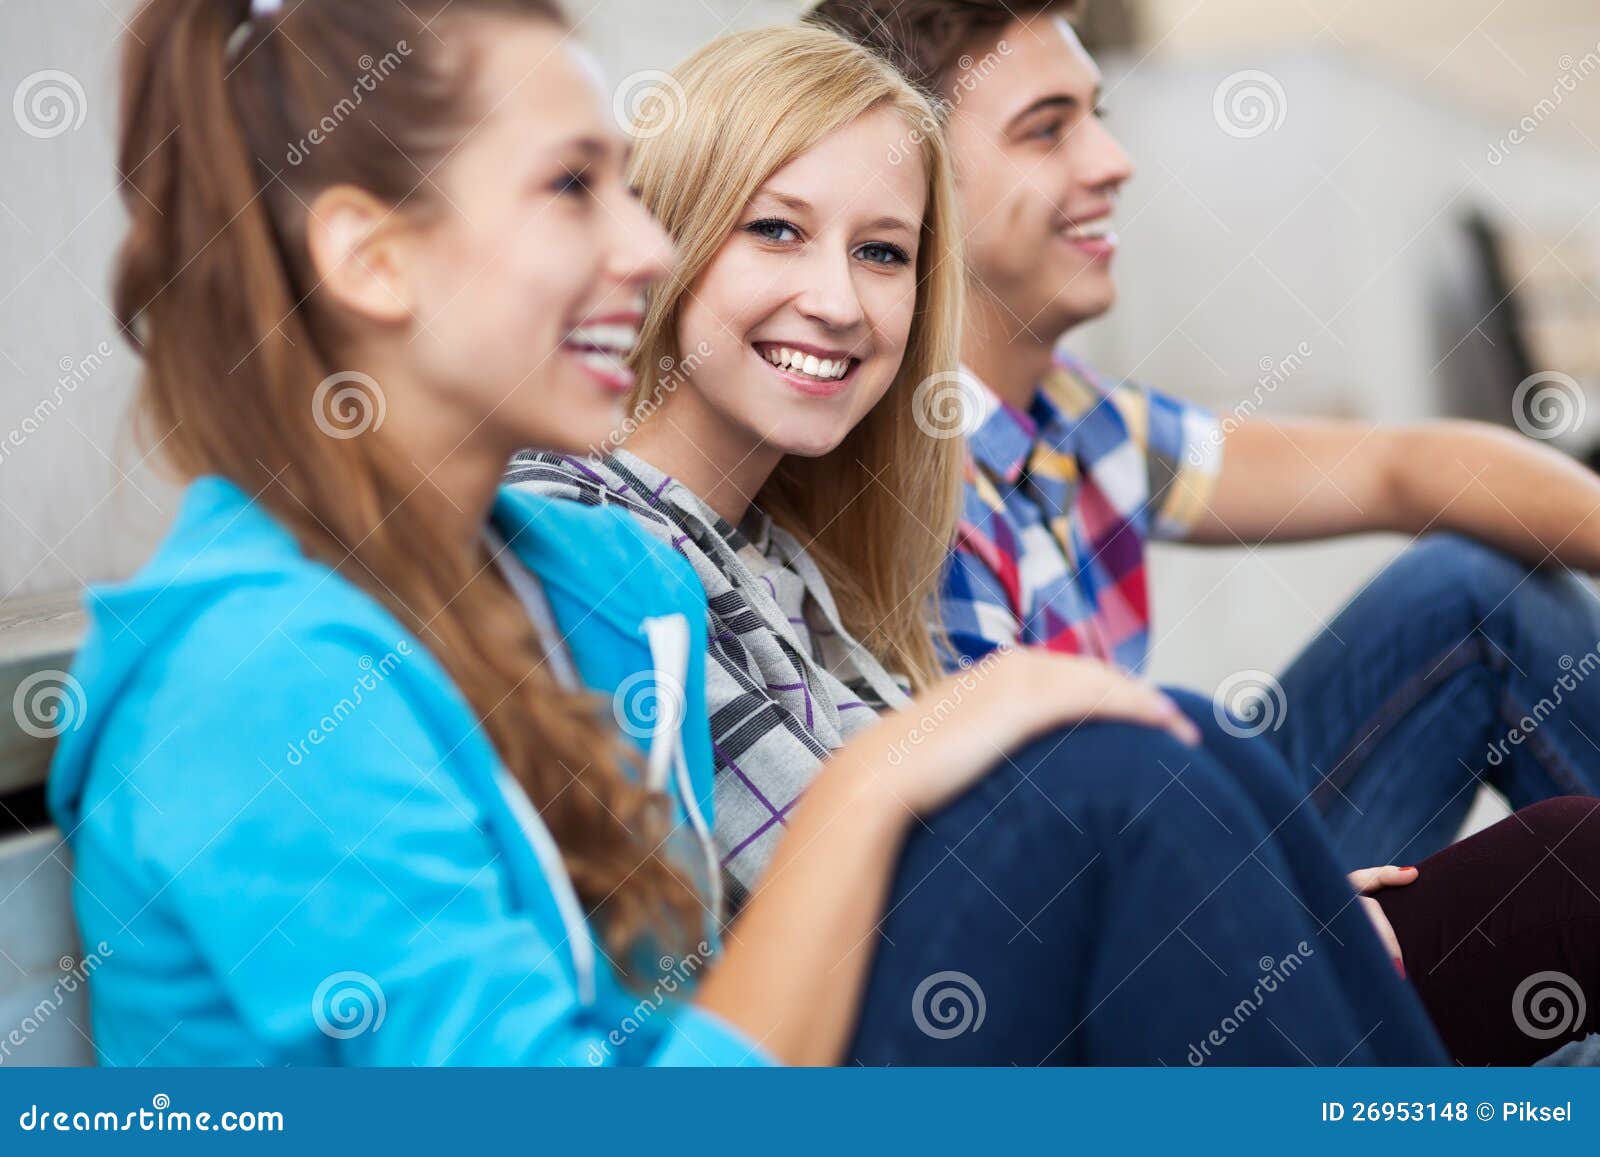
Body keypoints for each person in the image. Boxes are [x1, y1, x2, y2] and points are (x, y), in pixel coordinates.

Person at [48, 0, 1439, 1068]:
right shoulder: (253, 683)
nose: (649, 247)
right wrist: (885, 773)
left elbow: (690, 992)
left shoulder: (580, 576)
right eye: (573, 189)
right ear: (372, 257)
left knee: (1180, 754)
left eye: (882, 252)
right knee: (1118, 787)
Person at [506, 25, 1473, 1066]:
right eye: (776, 231)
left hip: (945, 997)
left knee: (1206, 741)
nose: (837, 301)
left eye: (882, 252)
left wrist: (1263, 887)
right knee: (1132, 775)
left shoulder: (787, 559)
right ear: (670, 241)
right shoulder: (588, 527)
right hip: (784, 1059)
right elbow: (832, 891)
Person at [806, 0, 1600, 876]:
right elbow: (1022, 871)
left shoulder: (1082, 423)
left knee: (1472, 594)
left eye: (1095, 118)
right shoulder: (901, 482)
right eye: (1046, 131)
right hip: (1110, 942)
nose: (1112, 163)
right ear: (908, 187)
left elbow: (1401, 470)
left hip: (1156, 862)